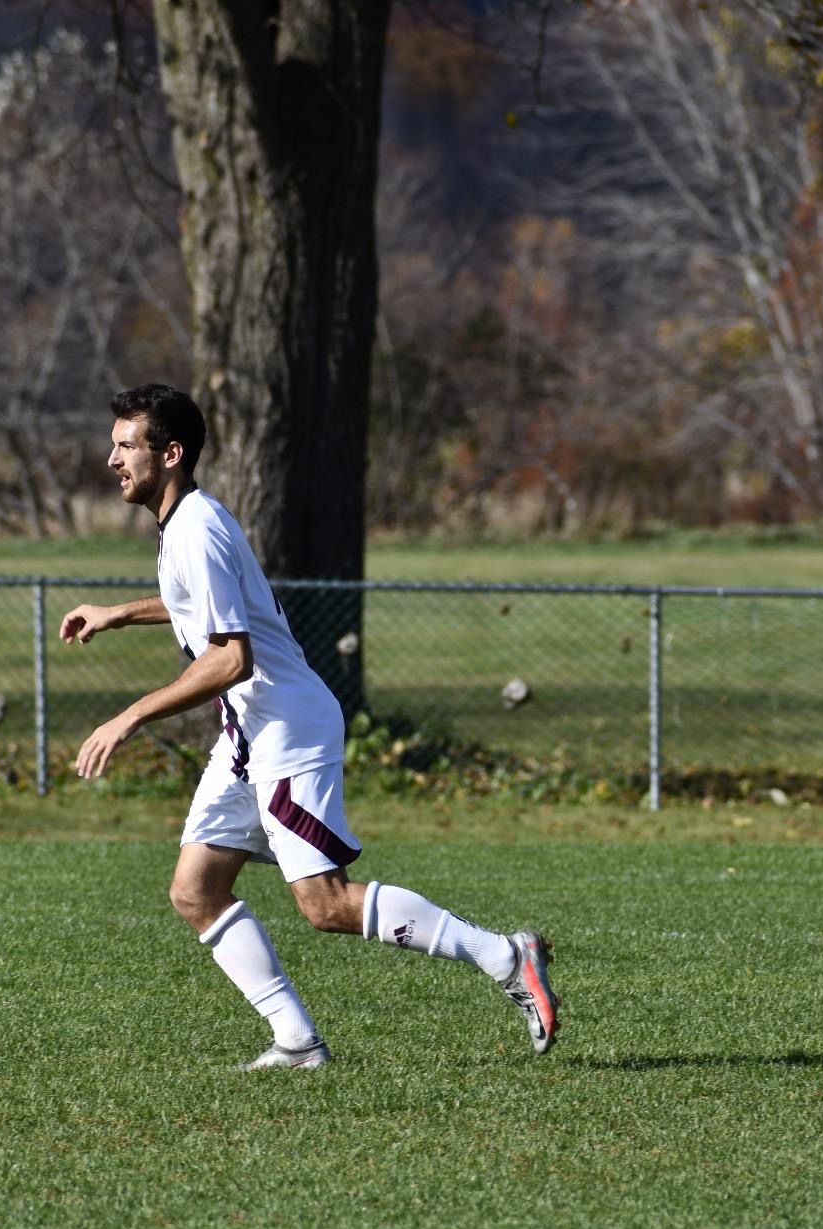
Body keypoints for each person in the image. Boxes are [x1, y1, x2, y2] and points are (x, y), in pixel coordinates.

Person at [60, 384, 559, 1070]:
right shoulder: (183, 524)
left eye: (126, 445)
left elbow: (233, 656)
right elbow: (199, 607)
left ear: (170, 453)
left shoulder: (197, 528)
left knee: (324, 904)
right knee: (195, 890)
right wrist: (118, 611)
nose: (112, 458)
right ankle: (296, 1042)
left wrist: (132, 713)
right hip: (250, 732)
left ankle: (505, 954)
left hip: (284, 727)